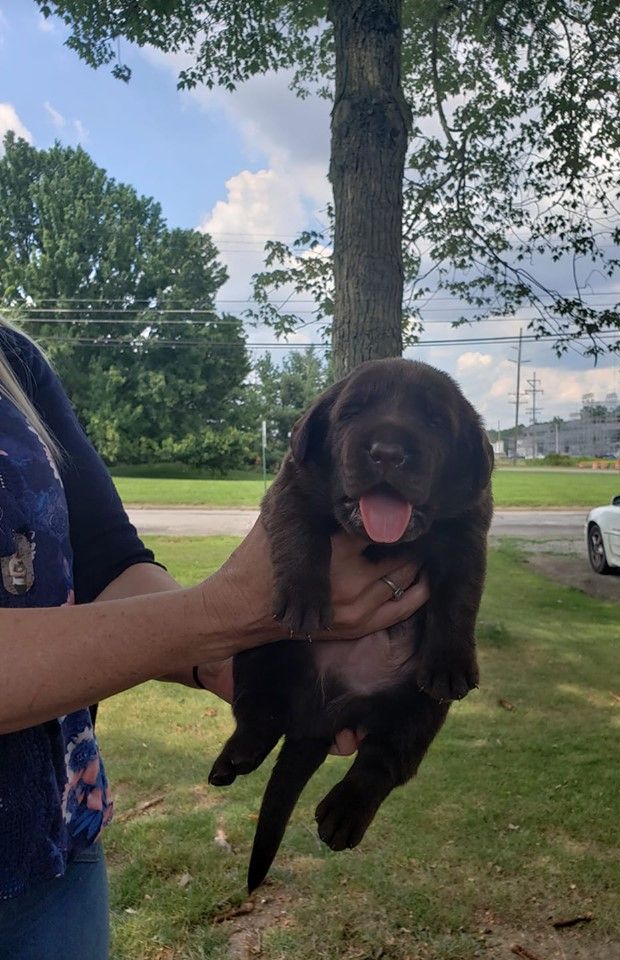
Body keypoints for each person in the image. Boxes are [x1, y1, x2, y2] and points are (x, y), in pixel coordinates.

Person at [0, 321, 426, 960]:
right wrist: (221, 612)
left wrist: (225, 661)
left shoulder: (13, 359)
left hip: (59, 849)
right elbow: (210, 610)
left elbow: (107, 562)